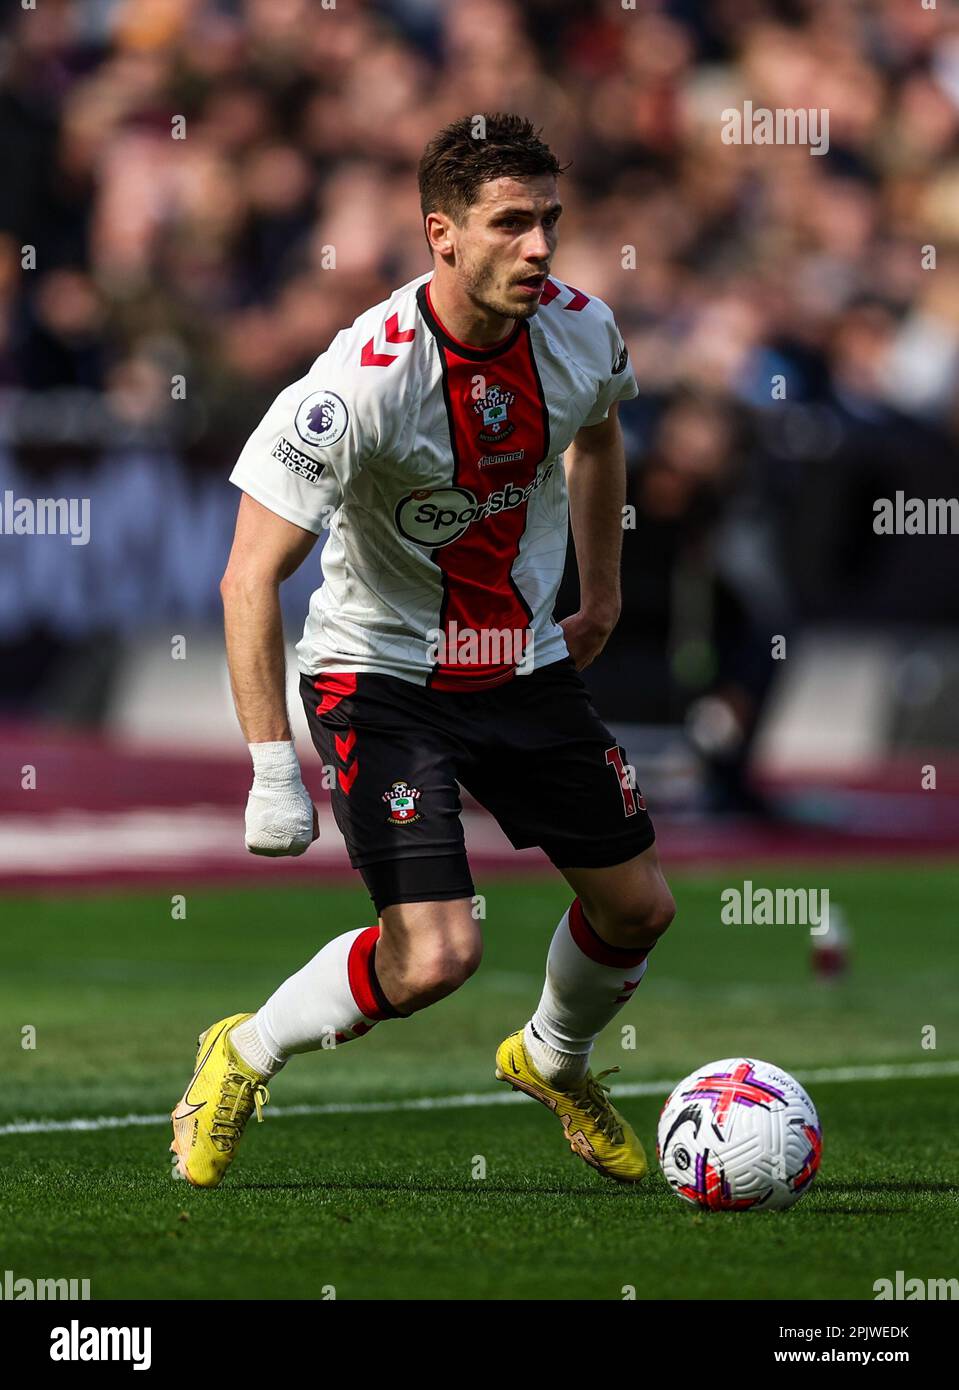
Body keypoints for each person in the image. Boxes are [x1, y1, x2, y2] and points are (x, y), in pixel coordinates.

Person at [170, 113, 676, 1189]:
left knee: (637, 908)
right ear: (440, 235)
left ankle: (551, 1058)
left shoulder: (581, 332)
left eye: (548, 221)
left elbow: (597, 432)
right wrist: (271, 768)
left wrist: (603, 592)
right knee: (437, 956)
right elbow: (247, 574)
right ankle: (242, 1050)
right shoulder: (358, 383)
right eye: (509, 225)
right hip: (382, 678)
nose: (539, 247)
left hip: (522, 662)